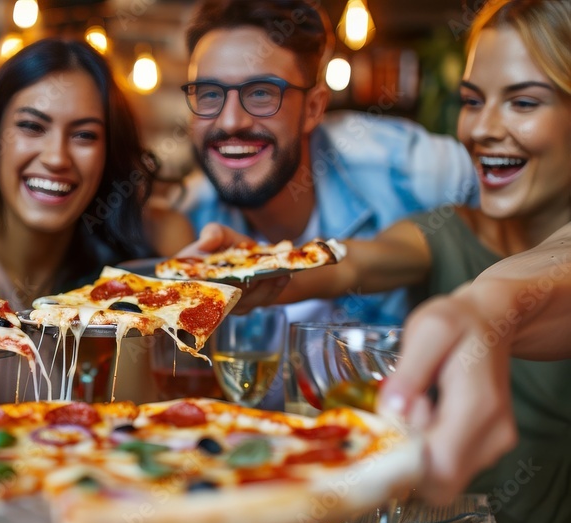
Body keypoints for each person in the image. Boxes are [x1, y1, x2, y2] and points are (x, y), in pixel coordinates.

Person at [252, 0, 571, 523]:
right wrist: (252, 268)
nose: (484, 128)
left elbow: (550, 271)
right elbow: (354, 260)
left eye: (522, 102)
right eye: (472, 102)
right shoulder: (447, 229)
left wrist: (478, 307)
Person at [0, 38, 194, 409]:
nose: (56, 157)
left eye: (84, 135)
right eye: (32, 126)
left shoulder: (160, 240)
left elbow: (161, 435)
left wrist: (132, 311)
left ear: (109, 150)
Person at [181, 0, 478, 327]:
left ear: (313, 108)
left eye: (261, 93)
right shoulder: (186, 218)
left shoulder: (407, 166)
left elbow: (531, 210)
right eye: (209, 94)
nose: (232, 121)